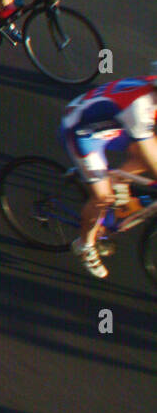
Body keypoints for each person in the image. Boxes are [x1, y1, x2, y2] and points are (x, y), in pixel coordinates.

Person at [57, 66, 157, 278]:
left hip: (108, 123)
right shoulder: (139, 106)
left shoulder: (151, 86)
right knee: (103, 198)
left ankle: (116, 182)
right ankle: (85, 245)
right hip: (81, 132)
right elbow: (149, 152)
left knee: (145, 154)